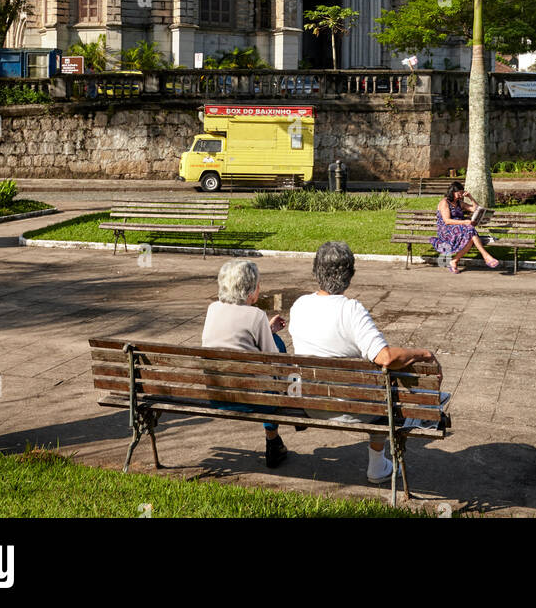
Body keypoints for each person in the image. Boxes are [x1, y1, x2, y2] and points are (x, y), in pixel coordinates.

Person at [289, 241, 437, 485]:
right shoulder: (351, 310)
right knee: (388, 386)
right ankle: (377, 466)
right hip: (356, 410)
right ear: (350, 276)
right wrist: (422, 353)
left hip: (311, 404)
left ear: (315, 271)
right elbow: (386, 357)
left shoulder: (299, 305)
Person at [202, 259, 289, 468]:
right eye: (258, 284)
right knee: (278, 347)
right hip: (251, 399)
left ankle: (274, 439)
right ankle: (272, 437)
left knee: (263, 352)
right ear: (250, 290)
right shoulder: (256, 315)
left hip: (218, 394)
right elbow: (273, 359)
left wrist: (266, 329)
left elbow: (232, 342)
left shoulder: (213, 309)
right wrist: (269, 334)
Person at [434, 181, 499, 273]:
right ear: (453, 192)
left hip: (461, 228)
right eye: (459, 192)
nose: (461, 194)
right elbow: (447, 221)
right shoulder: (444, 202)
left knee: (471, 236)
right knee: (470, 230)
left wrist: (470, 197)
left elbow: (476, 209)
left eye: (462, 192)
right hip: (446, 230)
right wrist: (465, 222)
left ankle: (454, 261)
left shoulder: (459, 203)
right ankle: (486, 256)